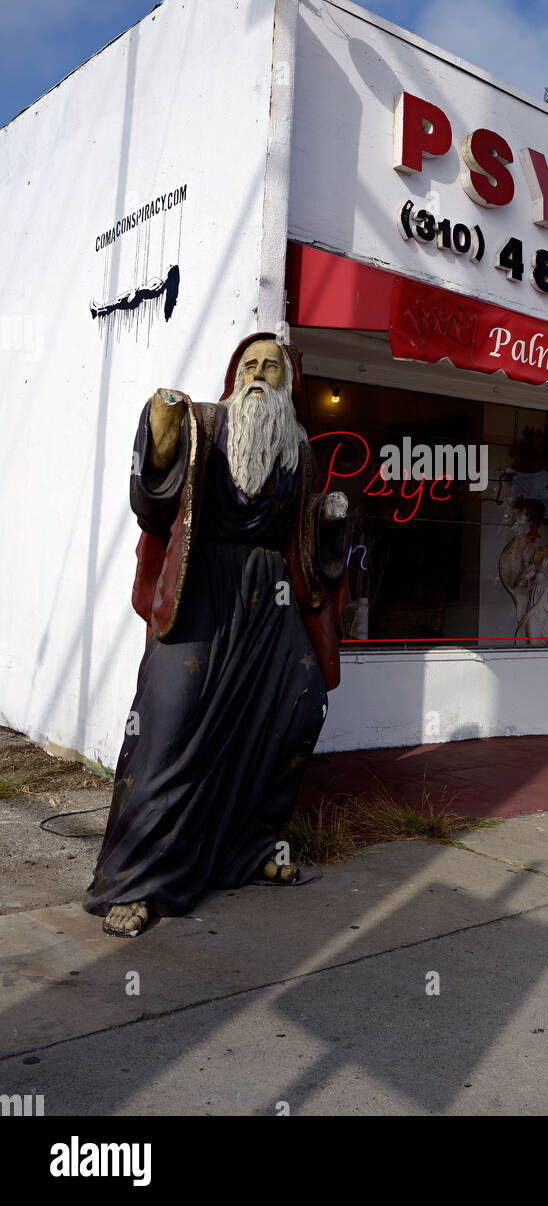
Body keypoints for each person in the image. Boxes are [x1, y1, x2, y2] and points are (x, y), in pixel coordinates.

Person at [83, 333, 349, 937]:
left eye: (270, 368)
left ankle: (251, 848)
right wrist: (161, 431)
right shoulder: (204, 424)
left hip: (270, 596)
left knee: (298, 707)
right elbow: (154, 505)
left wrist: (331, 522)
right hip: (203, 590)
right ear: (234, 376)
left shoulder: (299, 452)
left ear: (288, 384)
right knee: (169, 726)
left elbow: (309, 547)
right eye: (249, 366)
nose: (258, 375)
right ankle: (136, 882)